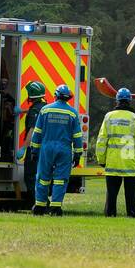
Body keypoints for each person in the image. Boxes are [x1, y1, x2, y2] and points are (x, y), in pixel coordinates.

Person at [29, 84, 84, 216]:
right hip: (64, 149)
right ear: (68, 98)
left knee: (42, 178)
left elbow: (37, 132)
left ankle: (40, 206)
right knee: (60, 179)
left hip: (47, 148)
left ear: (55, 95)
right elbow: (77, 136)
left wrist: (34, 150)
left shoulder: (45, 110)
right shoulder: (72, 113)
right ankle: (56, 208)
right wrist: (78, 153)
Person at [96, 87, 135, 218]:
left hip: (113, 162)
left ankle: (110, 214)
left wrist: (101, 160)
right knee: (131, 193)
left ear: (117, 101)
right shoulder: (134, 118)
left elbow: (101, 141)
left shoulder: (108, 117)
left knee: (112, 193)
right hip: (129, 163)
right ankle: (131, 214)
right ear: (130, 101)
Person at [15, 80, 47, 197]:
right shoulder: (44, 106)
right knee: (40, 175)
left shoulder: (35, 110)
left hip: (34, 149)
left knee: (30, 176)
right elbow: (36, 111)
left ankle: (35, 202)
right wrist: (22, 111)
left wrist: (23, 148)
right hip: (44, 148)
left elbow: (32, 130)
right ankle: (42, 202)